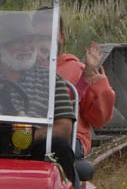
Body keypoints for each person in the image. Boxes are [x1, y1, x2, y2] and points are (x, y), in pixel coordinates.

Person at [0, 13, 75, 144]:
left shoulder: (51, 80)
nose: (27, 47)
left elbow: (65, 127)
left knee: (61, 148)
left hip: (34, 153)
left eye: (31, 41)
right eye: (19, 41)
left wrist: (27, 138)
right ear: (1, 45)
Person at [31, 9, 115, 158]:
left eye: (49, 36)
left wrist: (99, 86)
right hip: (34, 132)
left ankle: (71, 179)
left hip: (71, 135)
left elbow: (98, 119)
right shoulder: (25, 69)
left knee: (60, 151)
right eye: (38, 37)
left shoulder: (76, 69)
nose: (45, 42)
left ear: (61, 37)